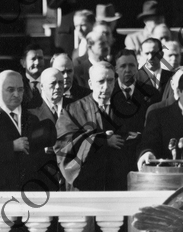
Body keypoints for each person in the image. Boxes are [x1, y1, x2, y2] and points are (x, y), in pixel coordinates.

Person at [0, 70, 56, 191]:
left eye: (20, 89)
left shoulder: (32, 119)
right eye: (10, 90)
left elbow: (38, 159)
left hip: (29, 193)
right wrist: (11, 147)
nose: (16, 94)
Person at [55, 61, 136, 191]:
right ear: (91, 84)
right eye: (101, 82)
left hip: (116, 184)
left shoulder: (126, 108)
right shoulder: (72, 111)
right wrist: (102, 141)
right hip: (85, 186)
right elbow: (65, 146)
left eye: (110, 81)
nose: (106, 87)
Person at [20, 44, 45, 109]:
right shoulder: (18, 82)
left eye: (40, 58)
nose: (37, 62)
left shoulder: (49, 81)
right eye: (33, 59)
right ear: (23, 63)